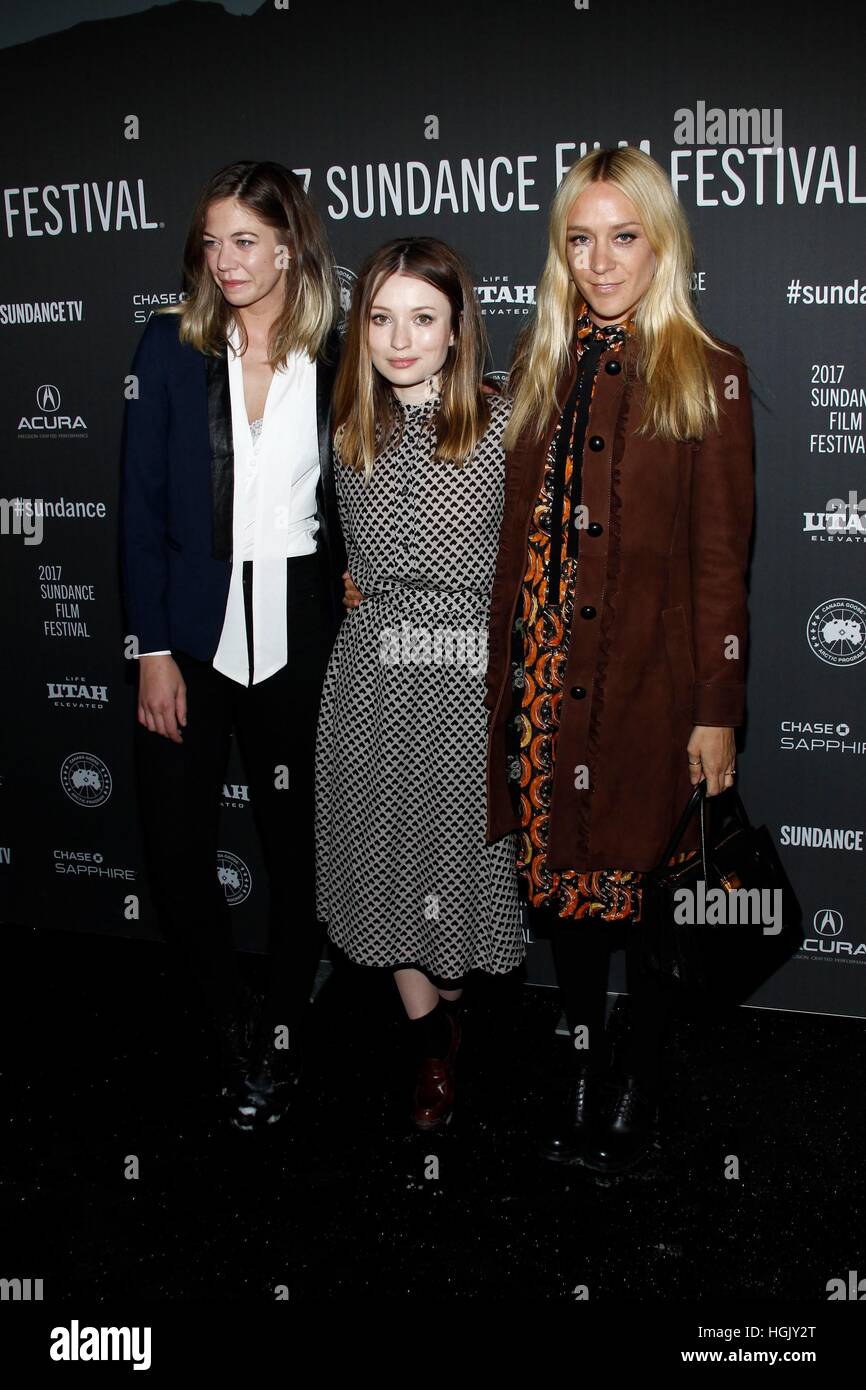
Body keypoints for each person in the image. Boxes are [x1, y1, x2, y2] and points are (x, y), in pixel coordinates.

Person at [483, 147, 754, 1173]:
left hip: (647, 681)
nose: (600, 262)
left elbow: (721, 558)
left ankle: (636, 1071)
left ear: (659, 242)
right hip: (546, 678)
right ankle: (584, 1059)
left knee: (639, 891)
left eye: (622, 237)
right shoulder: (538, 366)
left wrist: (714, 704)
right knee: (562, 891)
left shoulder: (706, 370)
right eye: (578, 239)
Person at [119, 160, 345, 1130]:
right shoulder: (167, 346)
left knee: (298, 849)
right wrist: (152, 649)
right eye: (211, 242)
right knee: (175, 851)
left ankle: (284, 1029)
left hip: (300, 622)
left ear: (289, 246)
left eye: (244, 240)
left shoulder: (338, 353)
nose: (224, 260)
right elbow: (137, 507)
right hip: (190, 624)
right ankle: (232, 1027)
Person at [316, 237, 524, 1131]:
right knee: (377, 860)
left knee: (457, 865)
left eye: (423, 318)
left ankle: (448, 998)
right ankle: (430, 1043)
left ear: (456, 328)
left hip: (467, 680)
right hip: (369, 677)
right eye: (382, 318)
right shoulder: (348, 424)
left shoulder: (506, 417)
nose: (401, 340)